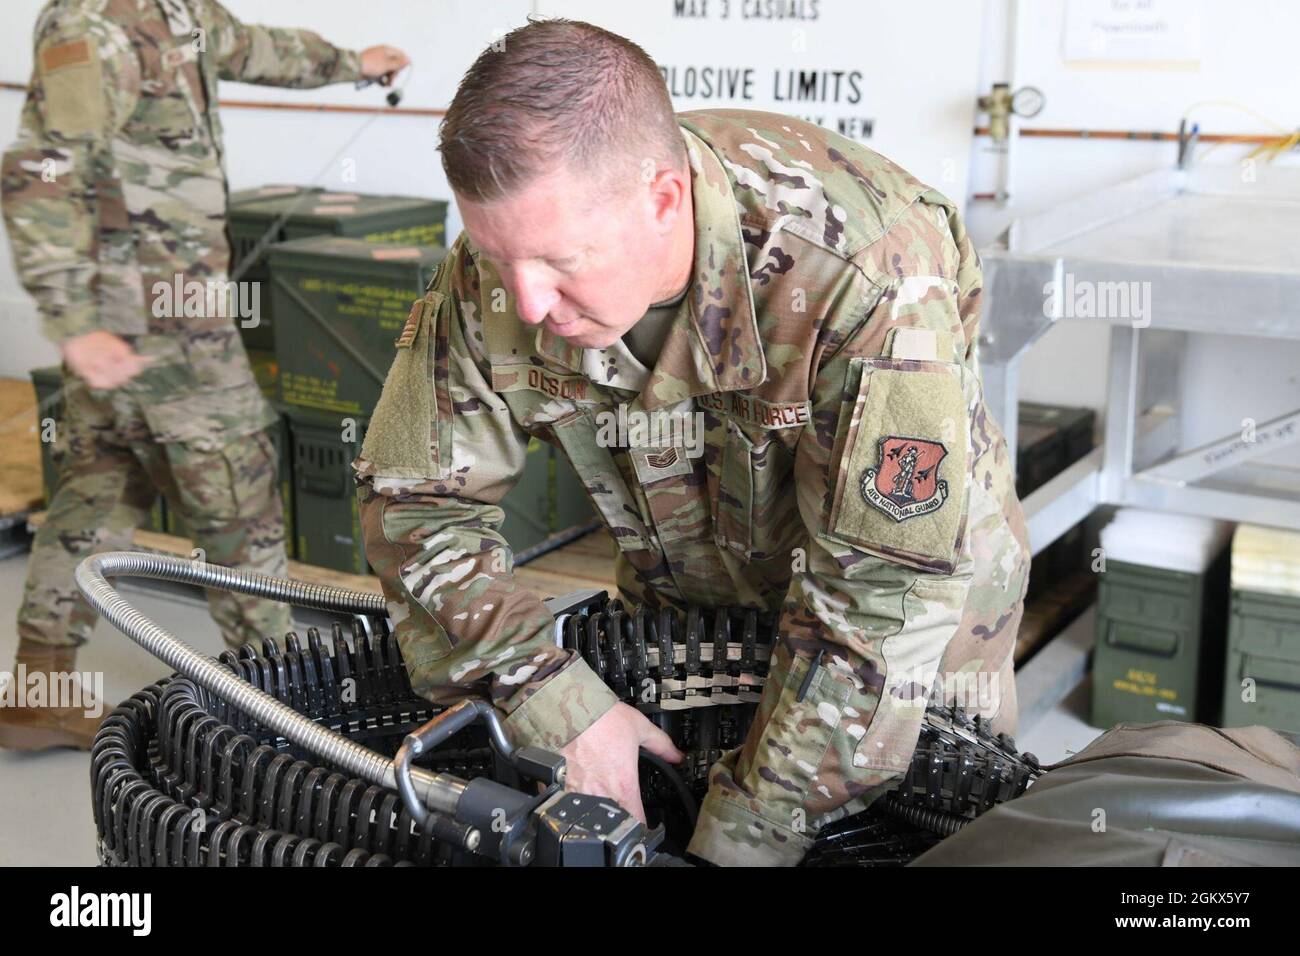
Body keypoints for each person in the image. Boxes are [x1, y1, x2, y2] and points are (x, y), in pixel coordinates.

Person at [354, 18, 1028, 866]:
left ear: (664, 200)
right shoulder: (508, 267)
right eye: (497, 257)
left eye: (561, 262)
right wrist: (552, 699)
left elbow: (878, 602)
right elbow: (416, 503)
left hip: (905, 649)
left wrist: (744, 838)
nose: (526, 304)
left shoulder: (868, 273)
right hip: (683, 621)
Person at [0, 0, 409, 752]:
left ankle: (38, 696)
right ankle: (283, 717)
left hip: (155, 326)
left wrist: (354, 63)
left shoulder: (175, 10)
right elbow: (41, 169)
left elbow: (252, 47)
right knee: (240, 505)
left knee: (94, 495)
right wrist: (73, 320)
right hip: (155, 335)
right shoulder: (88, 29)